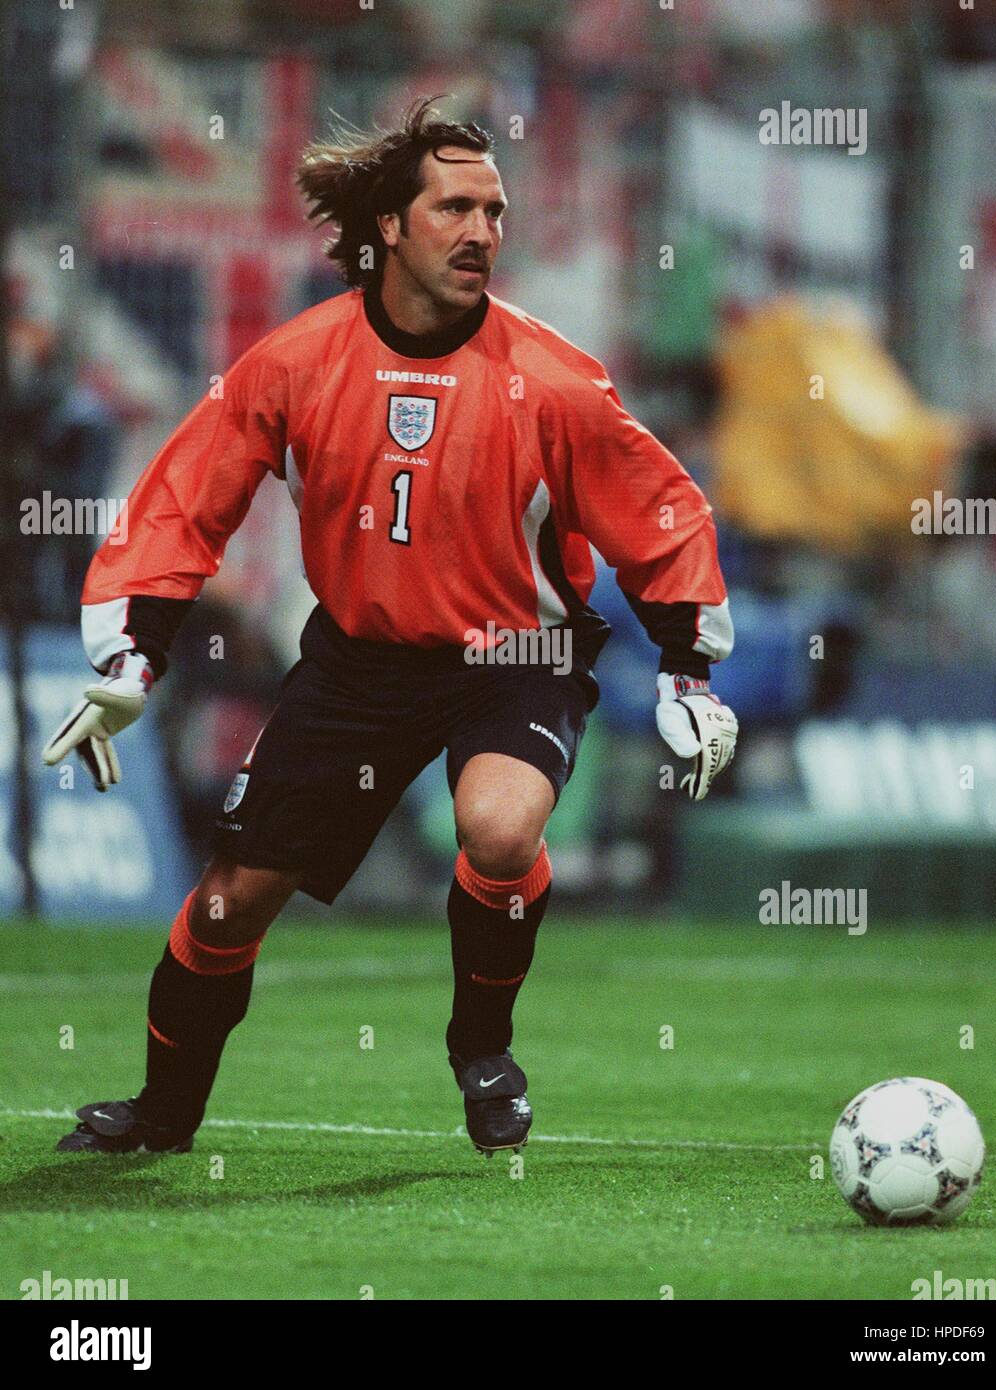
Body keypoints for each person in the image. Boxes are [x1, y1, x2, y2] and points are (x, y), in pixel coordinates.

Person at [43, 98, 738, 1158]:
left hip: (518, 656)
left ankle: (481, 1049)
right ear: (388, 229)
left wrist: (691, 672)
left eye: (496, 211)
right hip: (360, 664)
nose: (482, 232)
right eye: (455, 206)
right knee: (229, 906)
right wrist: (133, 650)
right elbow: (187, 497)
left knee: (502, 830)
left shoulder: (554, 380)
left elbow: (662, 508)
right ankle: (161, 1116)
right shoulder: (295, 362)